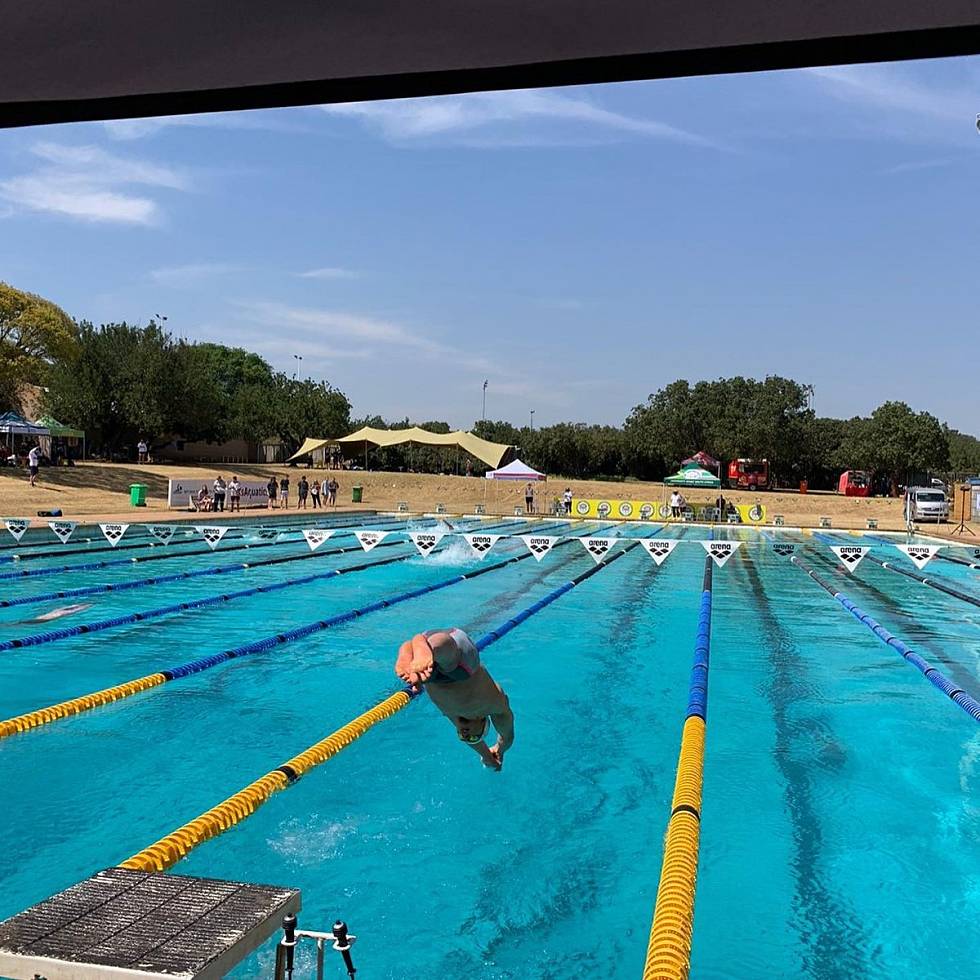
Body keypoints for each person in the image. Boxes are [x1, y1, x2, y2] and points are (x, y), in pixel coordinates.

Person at [395, 629, 514, 770]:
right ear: (482, 721)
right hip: (459, 658)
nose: (465, 735)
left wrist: (487, 757)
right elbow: (507, 736)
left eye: (462, 737)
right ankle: (427, 646)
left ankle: (411, 649)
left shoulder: (453, 716)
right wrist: (500, 750)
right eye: (473, 737)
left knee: (426, 673)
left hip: (431, 672)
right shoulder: (494, 706)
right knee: (452, 664)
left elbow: (475, 744)